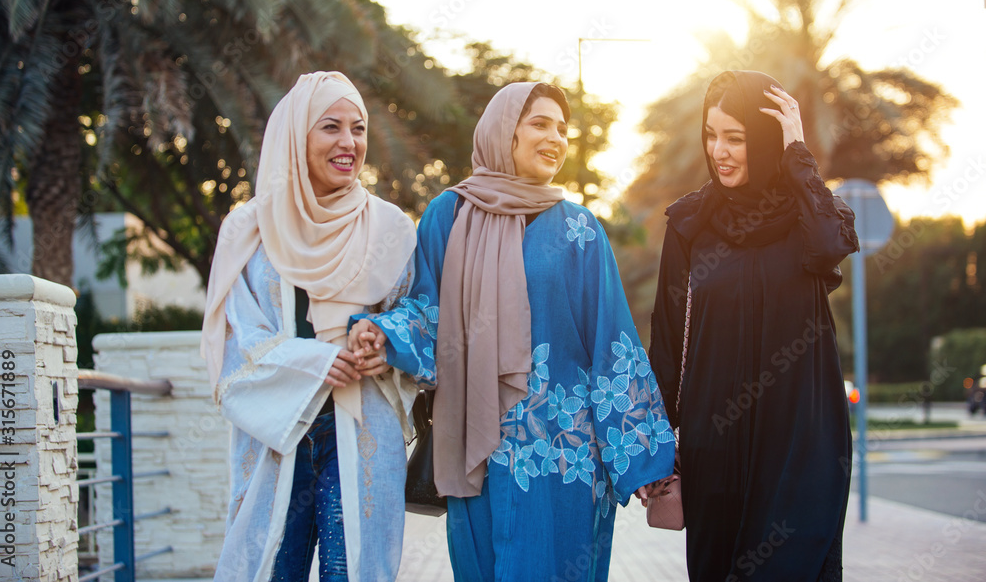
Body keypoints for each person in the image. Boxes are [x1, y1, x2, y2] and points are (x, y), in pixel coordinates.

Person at [350, 82, 676, 582]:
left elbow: (613, 345)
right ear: (505, 131)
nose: (556, 138)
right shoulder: (449, 214)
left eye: (563, 129)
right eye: (540, 124)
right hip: (473, 450)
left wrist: (645, 458)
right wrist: (385, 332)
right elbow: (426, 308)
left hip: (565, 456)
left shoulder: (579, 230)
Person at [200, 71, 418, 582]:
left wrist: (386, 337)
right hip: (277, 432)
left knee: (354, 570)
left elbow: (422, 314)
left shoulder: (391, 228)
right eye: (330, 127)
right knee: (274, 565)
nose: (349, 143)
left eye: (358, 128)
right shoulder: (248, 231)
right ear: (296, 136)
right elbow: (237, 340)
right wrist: (315, 361)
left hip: (363, 427)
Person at [648, 70, 860, 581]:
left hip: (799, 444)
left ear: (766, 141)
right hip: (713, 446)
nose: (719, 150)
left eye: (736, 137)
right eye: (710, 134)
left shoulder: (811, 215)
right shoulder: (690, 224)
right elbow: (668, 335)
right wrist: (655, 444)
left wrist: (797, 156)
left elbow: (830, 248)